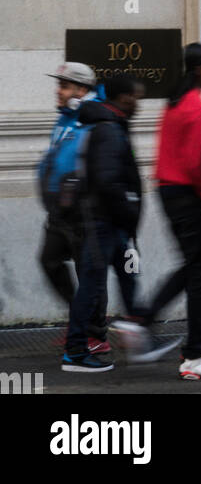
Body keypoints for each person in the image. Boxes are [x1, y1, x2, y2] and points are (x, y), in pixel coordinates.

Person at [63, 75, 181, 372]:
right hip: (105, 222)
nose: (138, 104)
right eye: (136, 98)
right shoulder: (108, 130)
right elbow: (107, 180)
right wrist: (128, 209)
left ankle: (140, 338)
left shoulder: (110, 126)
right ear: (124, 98)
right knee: (91, 285)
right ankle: (75, 352)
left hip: (113, 225)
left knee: (129, 278)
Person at [139, 42, 201, 380]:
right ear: (200, 69)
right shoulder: (198, 108)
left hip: (168, 191)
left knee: (192, 267)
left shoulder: (173, 104)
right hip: (190, 196)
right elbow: (197, 165)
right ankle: (195, 356)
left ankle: (142, 318)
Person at [38, 62, 110, 356]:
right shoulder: (65, 117)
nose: (58, 90)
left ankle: (95, 334)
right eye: (59, 84)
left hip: (83, 209)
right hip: (59, 209)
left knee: (89, 270)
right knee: (49, 261)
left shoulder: (92, 117)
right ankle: (79, 319)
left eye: (65, 85)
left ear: (81, 90)